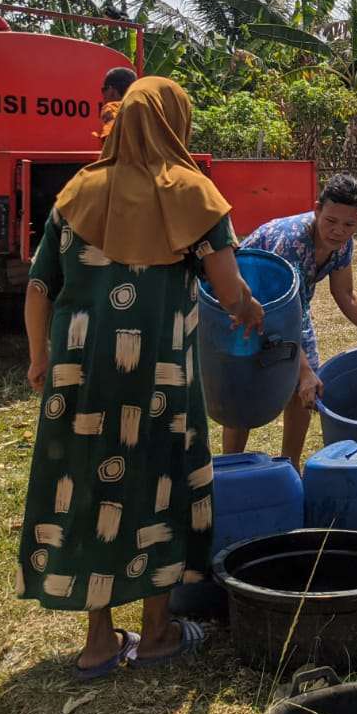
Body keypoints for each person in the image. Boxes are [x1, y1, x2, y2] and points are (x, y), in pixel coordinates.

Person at [17, 77, 264, 676]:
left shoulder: (77, 192)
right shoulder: (192, 194)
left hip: (80, 380)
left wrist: (38, 357)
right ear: (174, 124)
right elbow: (228, 288)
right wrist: (249, 309)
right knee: (162, 489)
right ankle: (156, 633)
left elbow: (39, 285)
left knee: (86, 488)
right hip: (159, 381)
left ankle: (99, 641)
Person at [223, 173, 357, 465]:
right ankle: (229, 468)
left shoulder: (343, 243)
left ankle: (290, 467)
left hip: (293, 309)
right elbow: (277, 315)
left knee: (307, 391)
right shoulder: (290, 241)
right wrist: (303, 370)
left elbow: (345, 293)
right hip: (246, 307)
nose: (338, 231)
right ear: (317, 209)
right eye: (331, 221)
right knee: (246, 390)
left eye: (349, 224)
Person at [96, 66, 138, 144]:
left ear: (111, 90)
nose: (103, 95)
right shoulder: (143, 109)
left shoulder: (111, 108)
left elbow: (110, 142)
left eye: (104, 89)